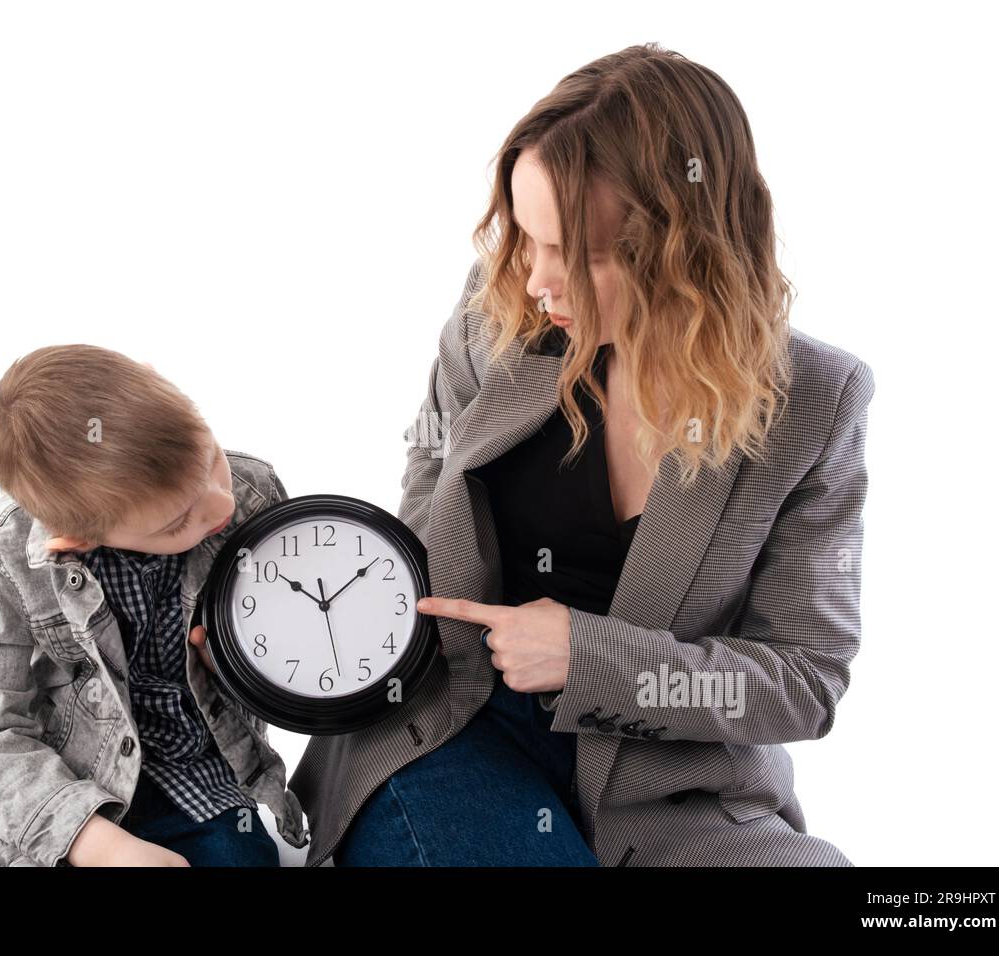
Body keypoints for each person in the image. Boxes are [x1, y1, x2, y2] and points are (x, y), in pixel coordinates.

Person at [279, 42, 874, 866]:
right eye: (526, 238)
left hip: (671, 791)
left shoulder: (817, 399)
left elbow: (804, 683)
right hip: (449, 732)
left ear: (686, 250)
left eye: (582, 255)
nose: (534, 281)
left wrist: (590, 659)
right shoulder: (495, 323)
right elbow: (412, 544)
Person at [0, 344, 307, 866]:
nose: (222, 504)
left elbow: (298, 628)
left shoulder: (252, 491)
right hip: (65, 798)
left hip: (197, 776)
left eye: (211, 459)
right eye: (178, 523)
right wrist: (97, 843)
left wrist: (246, 658)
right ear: (77, 541)